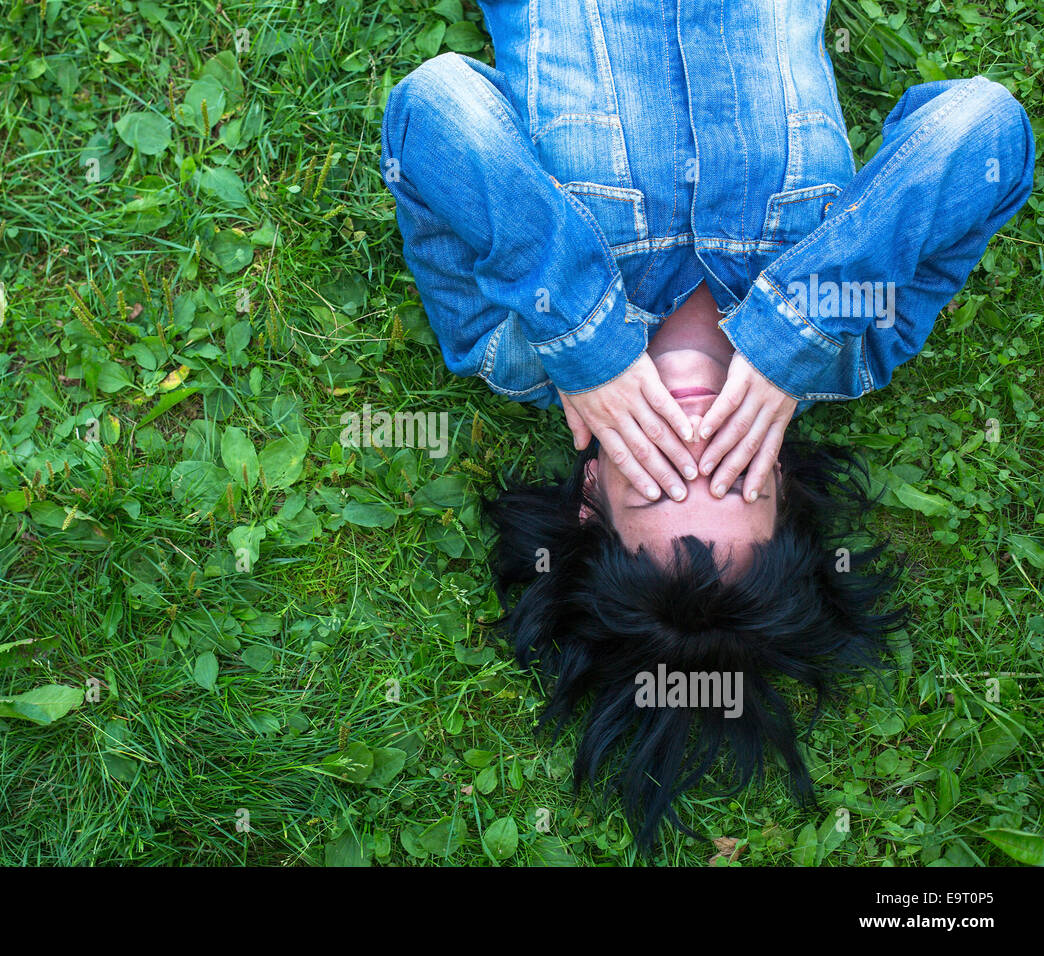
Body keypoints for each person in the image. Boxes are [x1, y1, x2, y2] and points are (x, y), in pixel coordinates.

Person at [378, 0, 1034, 849]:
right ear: (784, 490)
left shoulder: (511, 350)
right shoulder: (854, 345)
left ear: (592, 493)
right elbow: (982, 127)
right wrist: (793, 331)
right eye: (730, 472)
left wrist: (585, 337)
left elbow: (436, 108)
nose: (693, 438)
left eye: (657, 478)